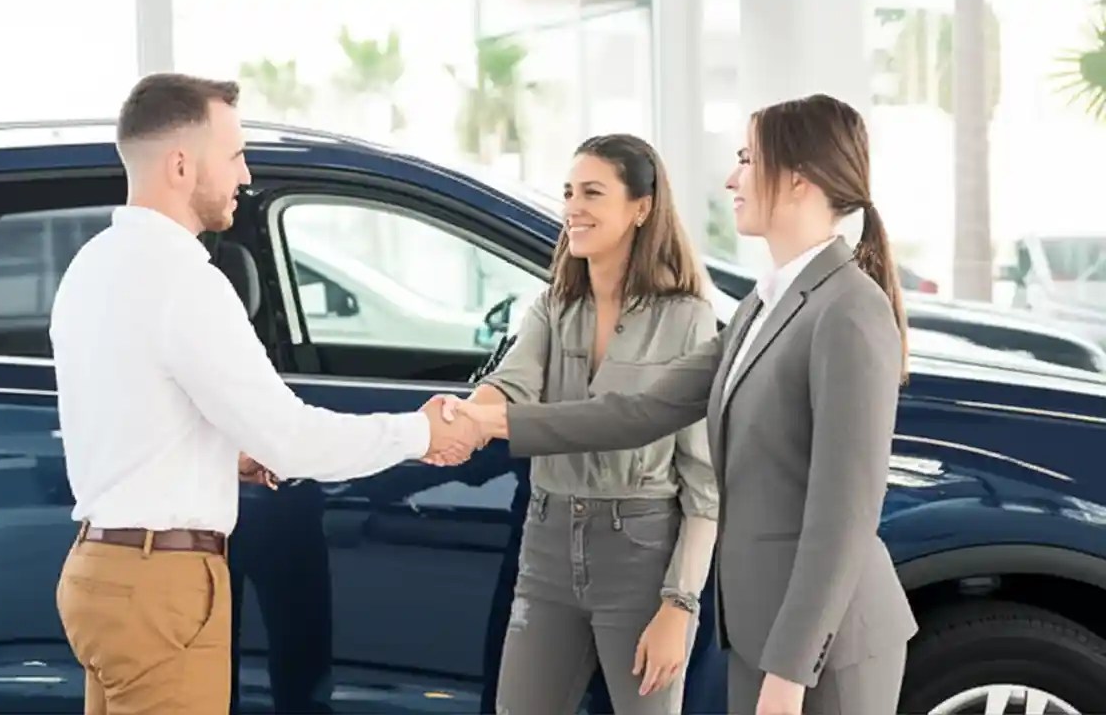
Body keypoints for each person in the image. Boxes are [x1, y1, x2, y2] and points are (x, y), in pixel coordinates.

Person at [443, 94, 919, 715]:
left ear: (799, 180)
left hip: (824, 651)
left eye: (748, 159)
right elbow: (639, 410)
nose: (732, 178)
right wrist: (490, 419)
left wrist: (791, 670)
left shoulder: (849, 309)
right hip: (763, 634)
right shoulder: (763, 305)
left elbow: (844, 519)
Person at [49, 72, 478, 715]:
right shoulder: (185, 282)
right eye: (235, 157)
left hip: (100, 574)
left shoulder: (91, 268)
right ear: (180, 164)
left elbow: (128, 420)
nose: (245, 176)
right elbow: (294, 439)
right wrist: (422, 432)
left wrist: (224, 458)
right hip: (163, 588)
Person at [450, 133, 719, 715]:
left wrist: (680, 603)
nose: (573, 206)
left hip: (641, 556)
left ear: (641, 207)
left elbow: (706, 487)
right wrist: (462, 417)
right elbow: (511, 385)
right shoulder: (552, 307)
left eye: (592, 192)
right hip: (546, 548)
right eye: (569, 191)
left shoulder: (689, 320)